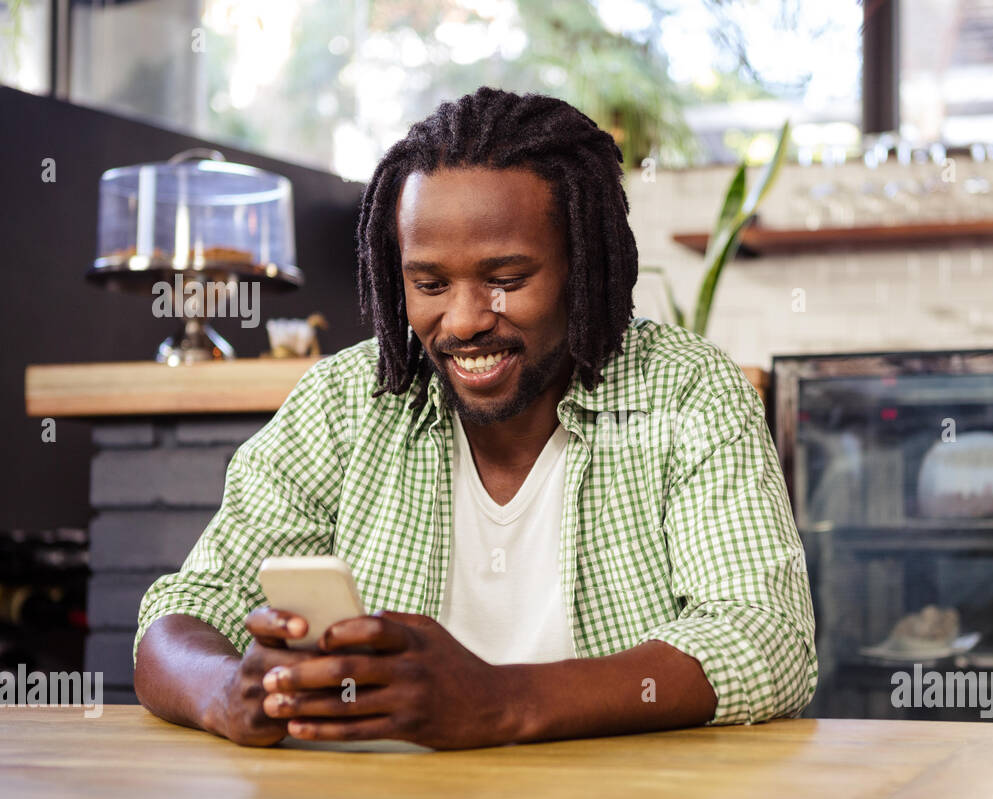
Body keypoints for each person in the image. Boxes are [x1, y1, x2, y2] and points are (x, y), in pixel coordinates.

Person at [133, 86, 816, 750]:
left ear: (584, 266)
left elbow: (765, 637)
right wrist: (228, 694)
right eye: (429, 284)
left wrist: (502, 703)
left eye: (507, 280)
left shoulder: (686, 393)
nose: (462, 321)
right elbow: (180, 612)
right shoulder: (344, 403)